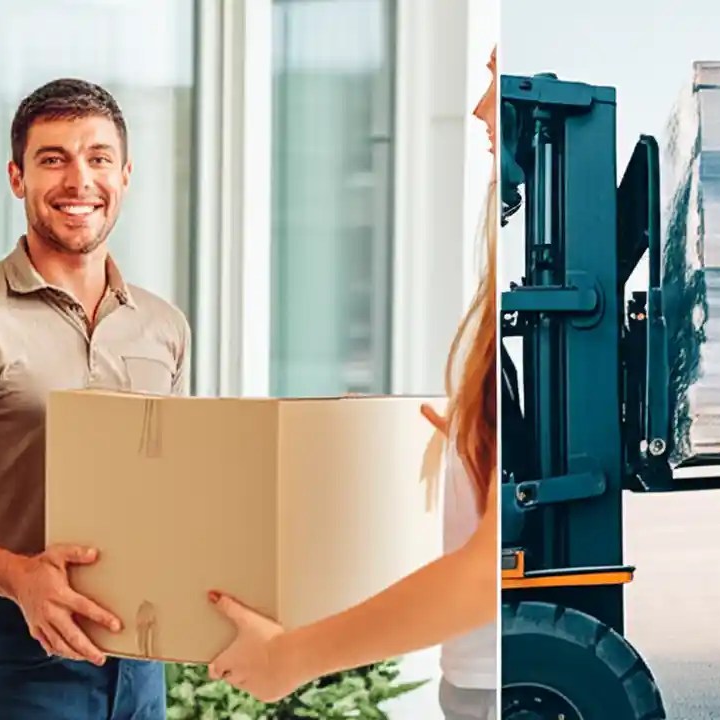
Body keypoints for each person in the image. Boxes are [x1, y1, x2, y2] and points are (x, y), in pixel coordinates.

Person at [203, 48, 501, 719]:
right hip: (476, 680)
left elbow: (484, 575)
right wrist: (458, 440)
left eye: (492, 74)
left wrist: (290, 657)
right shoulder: (504, 307)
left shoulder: (514, 310)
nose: (481, 106)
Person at [0, 78, 189, 719]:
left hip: (143, 657)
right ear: (17, 177)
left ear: (126, 174)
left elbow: (174, 487)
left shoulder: (163, 325)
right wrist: (20, 578)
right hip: (15, 650)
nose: (79, 181)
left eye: (98, 158)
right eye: (53, 158)